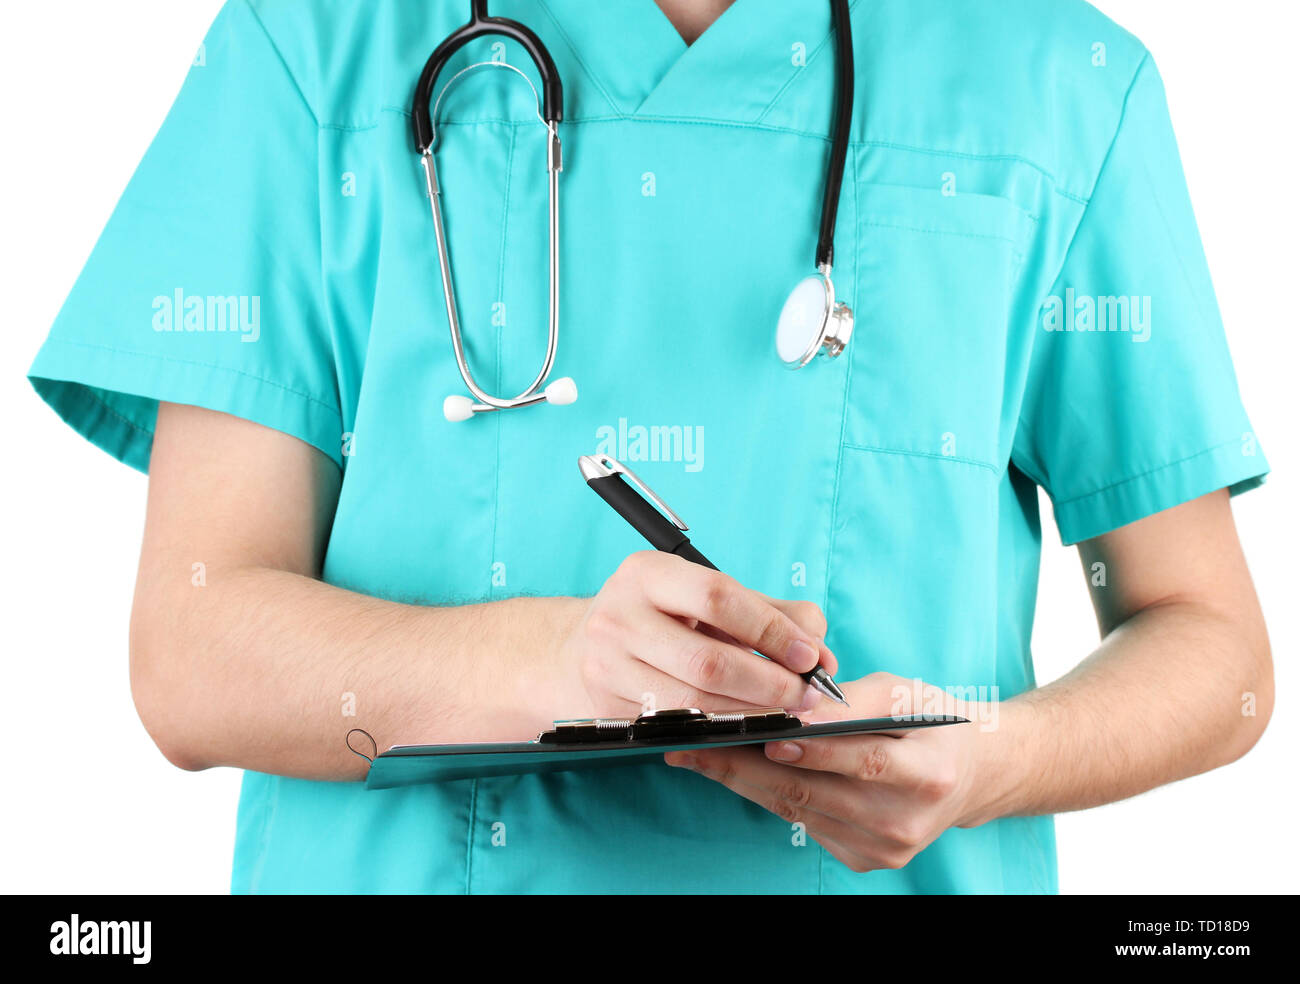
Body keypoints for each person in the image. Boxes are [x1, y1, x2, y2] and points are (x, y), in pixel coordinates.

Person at [28, 0, 1271, 893]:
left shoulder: (1052, 76)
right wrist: (558, 666)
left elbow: (1207, 643)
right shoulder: (310, 48)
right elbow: (191, 657)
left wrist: (1003, 760)